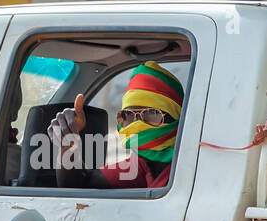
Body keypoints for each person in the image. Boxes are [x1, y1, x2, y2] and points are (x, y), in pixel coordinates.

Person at [48, 61, 183, 189]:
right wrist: (69, 143)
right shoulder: (144, 164)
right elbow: (79, 185)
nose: (137, 124)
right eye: (128, 115)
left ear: (177, 117)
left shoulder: (190, 163)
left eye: (152, 114)